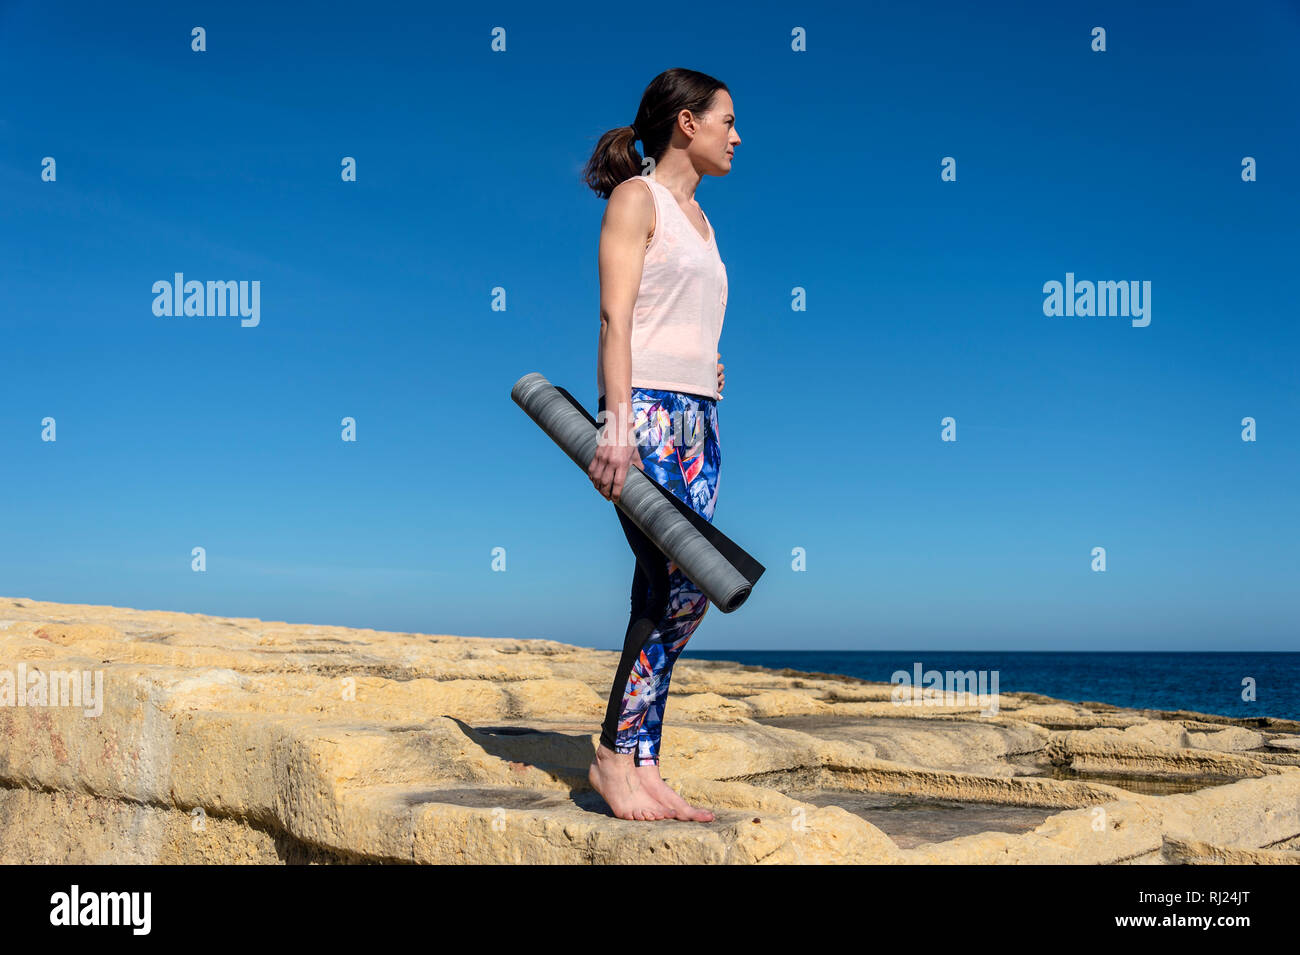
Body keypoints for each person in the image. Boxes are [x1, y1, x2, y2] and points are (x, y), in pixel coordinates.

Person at [580, 68, 739, 822]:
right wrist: (615, 424)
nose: (736, 137)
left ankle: (644, 759)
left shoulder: (705, 224)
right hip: (642, 414)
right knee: (674, 572)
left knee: (684, 590)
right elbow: (617, 320)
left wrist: (708, 362)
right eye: (726, 121)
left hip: (701, 422)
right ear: (686, 122)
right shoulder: (635, 200)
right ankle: (613, 754)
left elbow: (684, 316)